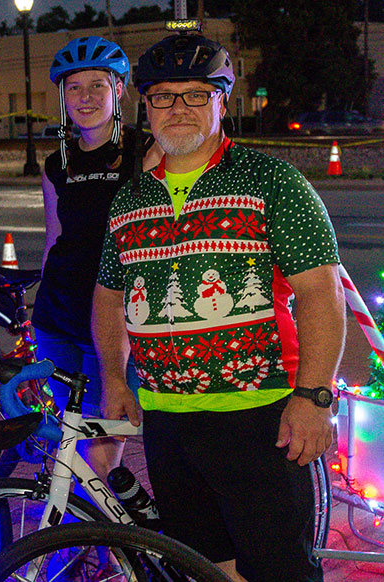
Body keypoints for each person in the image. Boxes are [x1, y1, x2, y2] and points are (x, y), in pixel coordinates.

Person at [92, 33, 344, 582]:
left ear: (222, 102)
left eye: (196, 94)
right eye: (163, 96)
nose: (178, 108)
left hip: (262, 418)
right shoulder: (131, 200)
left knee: (280, 570)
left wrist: (315, 397)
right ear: (146, 106)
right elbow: (109, 295)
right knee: (205, 567)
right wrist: (114, 377)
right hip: (168, 421)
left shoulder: (272, 182)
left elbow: (321, 292)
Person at [31, 36, 156, 480]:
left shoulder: (146, 153)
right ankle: (99, 545)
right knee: (76, 439)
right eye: (74, 87)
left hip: (115, 325)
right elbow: (55, 239)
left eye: (97, 86)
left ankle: (105, 545)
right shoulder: (55, 165)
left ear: (119, 90)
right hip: (58, 320)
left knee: (103, 449)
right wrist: (37, 310)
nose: (85, 98)